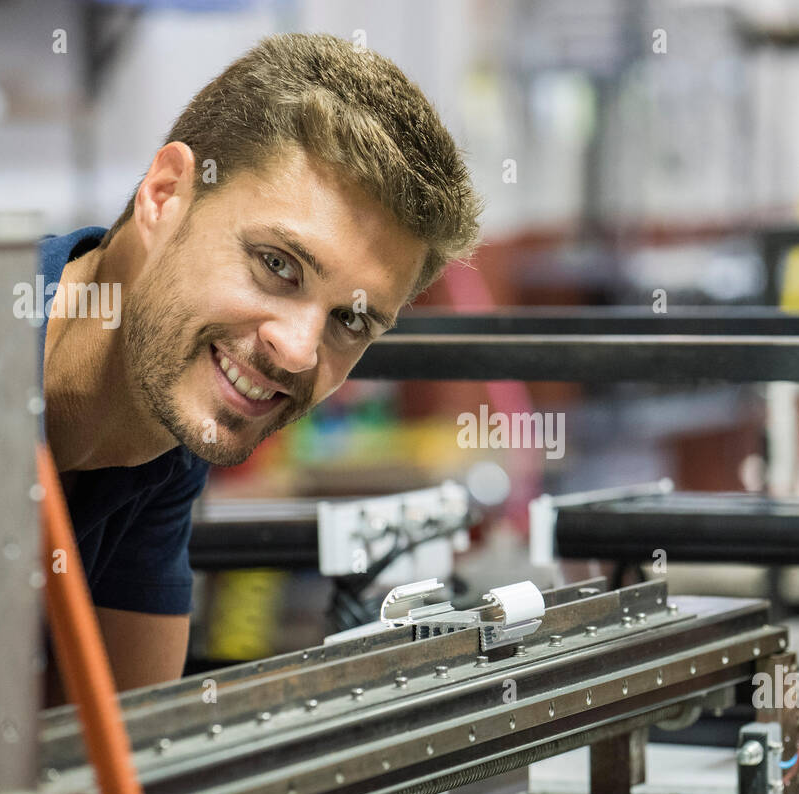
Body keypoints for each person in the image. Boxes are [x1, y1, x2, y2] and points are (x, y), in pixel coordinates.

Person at [38, 33, 481, 702]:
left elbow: (119, 770)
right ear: (164, 195)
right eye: (278, 265)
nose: (299, 351)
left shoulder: (161, 452)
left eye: (350, 320)